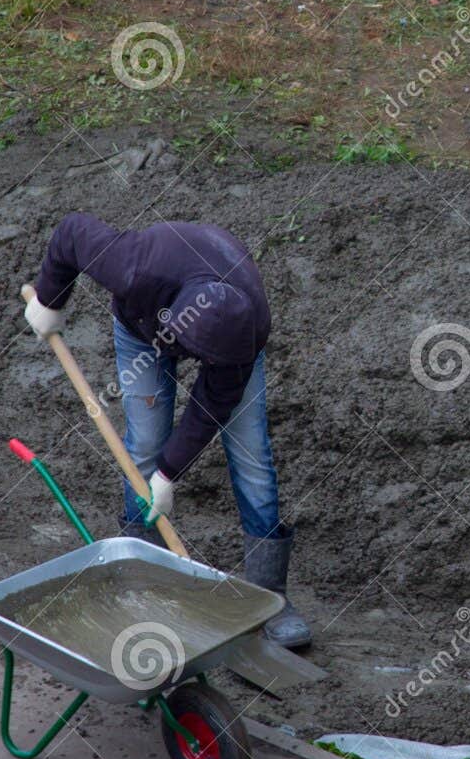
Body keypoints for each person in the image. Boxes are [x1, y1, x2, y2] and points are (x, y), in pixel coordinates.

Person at [22, 212, 311, 649]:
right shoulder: (134, 266)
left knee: (251, 453)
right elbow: (69, 232)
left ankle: (270, 596)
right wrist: (49, 300)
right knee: (144, 445)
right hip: (143, 327)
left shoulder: (247, 331)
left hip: (227, 337)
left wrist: (168, 475)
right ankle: (140, 580)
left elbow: (210, 406)